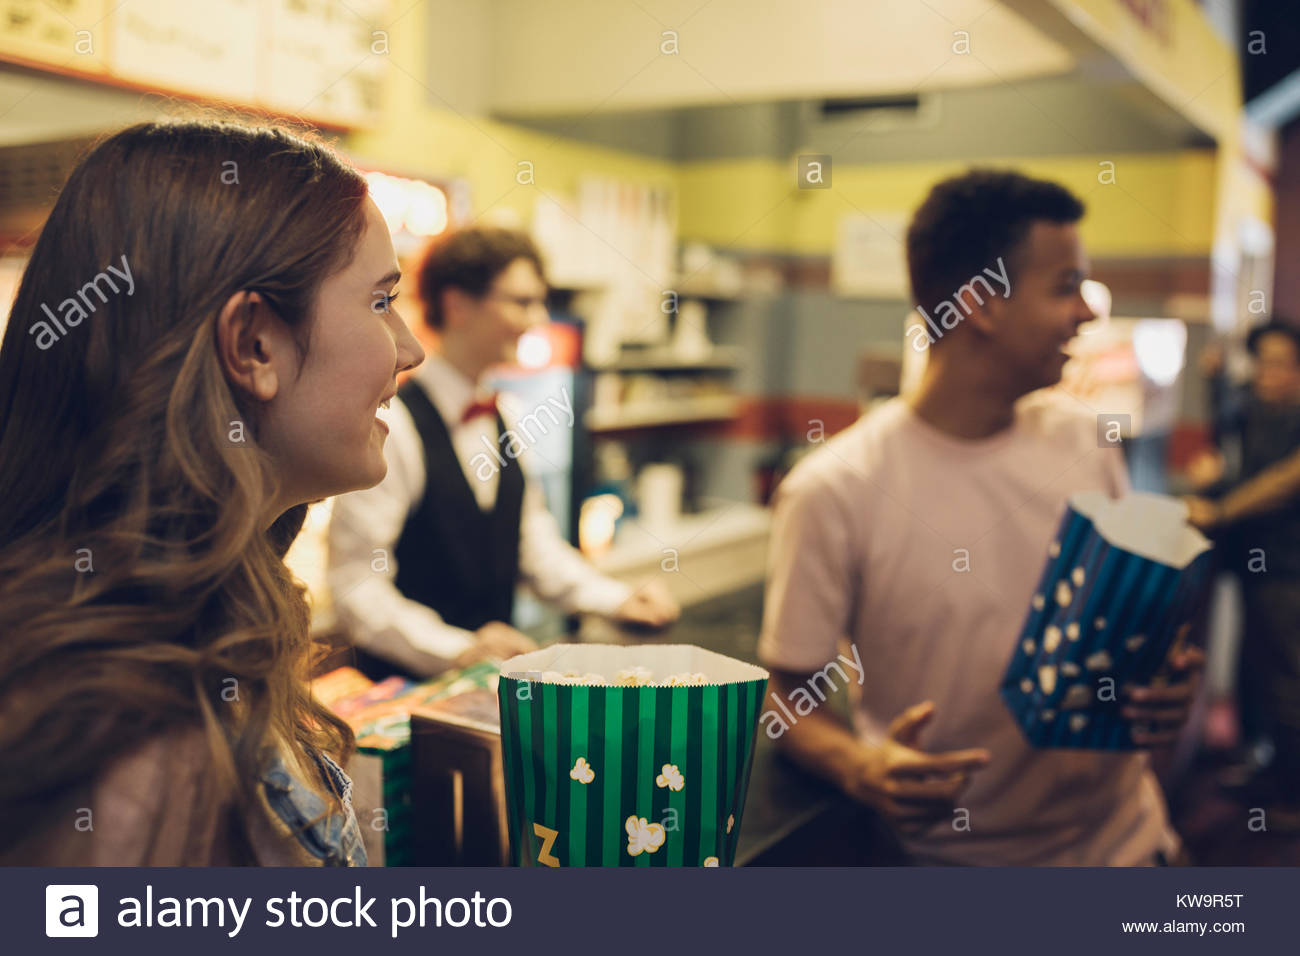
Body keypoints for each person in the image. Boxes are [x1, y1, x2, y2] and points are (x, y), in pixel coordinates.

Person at [0, 119, 425, 864]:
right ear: (253, 343)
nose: (411, 351)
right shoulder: (137, 747)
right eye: (382, 303)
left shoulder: (202, 628)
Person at [757, 170, 1203, 866]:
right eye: (1064, 287)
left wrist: (1165, 680)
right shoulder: (834, 490)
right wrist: (859, 765)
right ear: (980, 305)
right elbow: (786, 701)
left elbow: (1129, 624)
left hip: (1132, 849)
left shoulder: (1083, 440)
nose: (1087, 313)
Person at [327, 226, 679, 679]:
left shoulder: (508, 414)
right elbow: (356, 586)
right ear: (458, 305)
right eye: (521, 302)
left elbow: (531, 545)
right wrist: (458, 648)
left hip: (493, 692)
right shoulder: (393, 426)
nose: (538, 319)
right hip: (404, 697)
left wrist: (615, 598)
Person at [1185, 319, 1300, 826]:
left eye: (1281, 363)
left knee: (1289, 678)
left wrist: (1223, 508)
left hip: (1290, 570)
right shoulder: (1254, 411)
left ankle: (1294, 798)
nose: (1269, 373)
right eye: (1263, 362)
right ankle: (1265, 770)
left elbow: (1284, 481)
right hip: (1256, 566)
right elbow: (1225, 442)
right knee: (1256, 674)